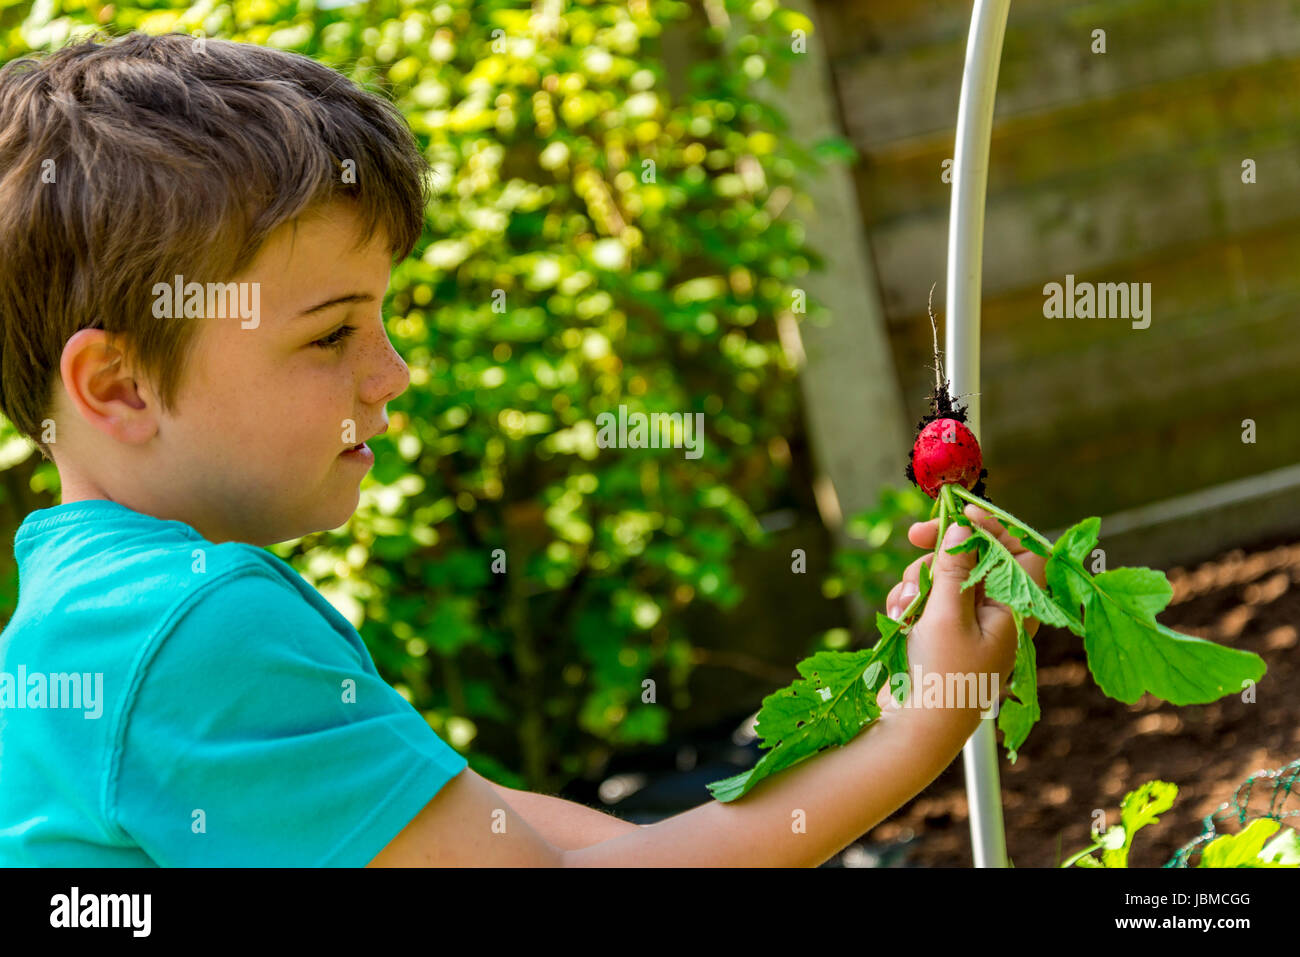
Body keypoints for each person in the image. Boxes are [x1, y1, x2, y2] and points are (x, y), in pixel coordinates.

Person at [0, 32, 1044, 867]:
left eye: (382, 319)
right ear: (120, 386)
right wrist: (914, 731)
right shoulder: (198, 629)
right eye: (331, 334)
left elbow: (501, 826)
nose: (394, 371)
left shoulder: (97, 617)